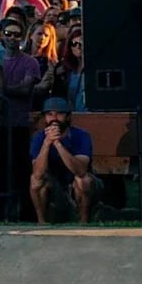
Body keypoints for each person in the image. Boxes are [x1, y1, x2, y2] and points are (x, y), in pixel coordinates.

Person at [29, 96, 97, 224]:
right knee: (35, 180)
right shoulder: (38, 138)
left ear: (68, 117)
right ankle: (41, 222)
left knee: (83, 180)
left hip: (76, 182)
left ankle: (84, 221)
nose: (54, 119)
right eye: (50, 114)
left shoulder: (81, 135)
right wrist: (47, 143)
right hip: (54, 184)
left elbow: (81, 170)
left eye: (59, 114)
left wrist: (58, 144)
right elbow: (38, 173)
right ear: (45, 117)